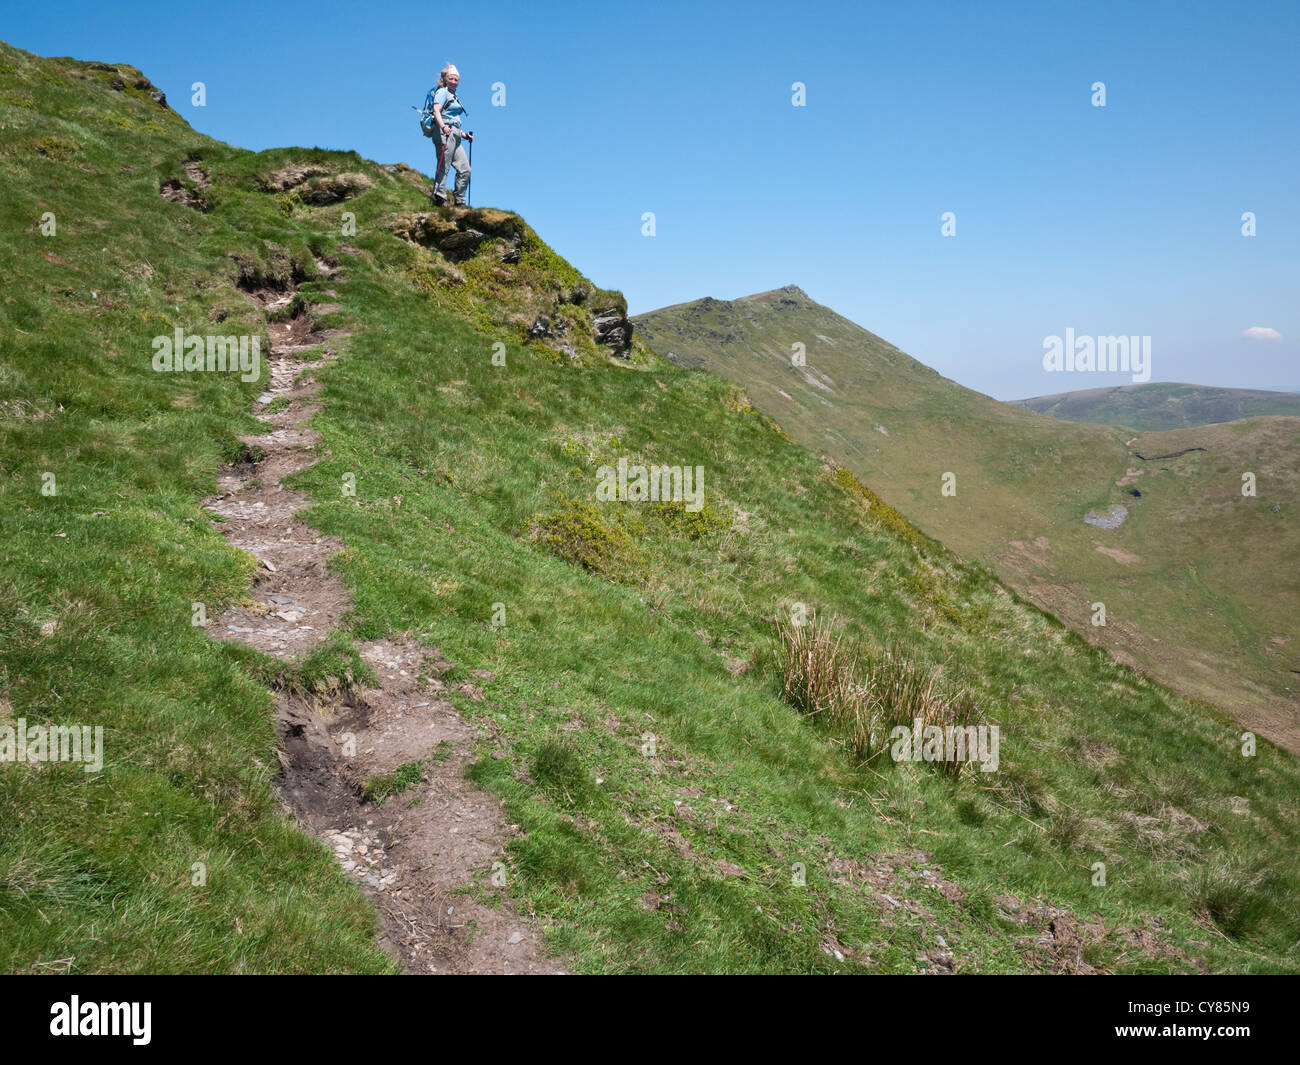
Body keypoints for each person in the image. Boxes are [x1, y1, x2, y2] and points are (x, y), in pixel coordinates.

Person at [429, 63, 472, 206]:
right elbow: (436, 111)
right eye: (451, 79)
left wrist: (463, 134)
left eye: (456, 80)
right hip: (444, 131)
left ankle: (460, 201)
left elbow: (453, 119)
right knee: (444, 164)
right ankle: (439, 196)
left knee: (465, 168)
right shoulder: (442, 92)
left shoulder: (455, 96)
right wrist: (443, 127)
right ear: (445, 79)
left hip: (455, 133)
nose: (454, 82)